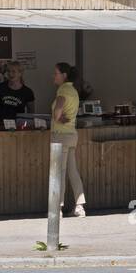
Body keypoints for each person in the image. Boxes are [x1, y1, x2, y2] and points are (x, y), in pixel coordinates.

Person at [51, 62, 86, 217]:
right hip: (72, 134)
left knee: (60, 172)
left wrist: (57, 117)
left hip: (61, 135)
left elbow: (56, 113)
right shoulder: (74, 91)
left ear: (64, 75)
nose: (54, 76)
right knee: (73, 171)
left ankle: (57, 207)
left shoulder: (63, 90)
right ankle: (80, 205)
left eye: (56, 73)